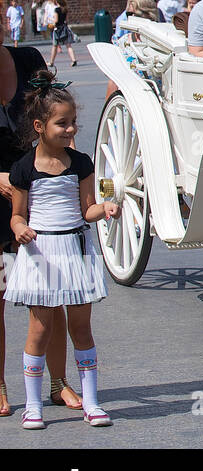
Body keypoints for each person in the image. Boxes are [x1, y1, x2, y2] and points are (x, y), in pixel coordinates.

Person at [4, 73, 116, 428]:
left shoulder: (81, 162)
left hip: (76, 247)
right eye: (62, 123)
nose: (70, 130)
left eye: (73, 123)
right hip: (43, 252)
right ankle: (33, 404)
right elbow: (18, 214)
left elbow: (87, 209)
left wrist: (106, 208)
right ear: (39, 125)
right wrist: (21, 230)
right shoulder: (24, 168)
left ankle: (93, 401)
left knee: (81, 327)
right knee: (39, 329)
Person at [1, 50, 85, 418]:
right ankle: (0, 385)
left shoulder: (28, 59)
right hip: (8, 200)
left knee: (54, 298)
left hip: (46, 203)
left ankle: (58, 383)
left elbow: (59, 118)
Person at [47, 0, 77, 68]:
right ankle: (73, 60)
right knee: (68, 45)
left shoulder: (57, 10)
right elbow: (66, 21)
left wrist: (51, 22)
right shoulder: (65, 9)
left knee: (54, 46)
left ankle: (51, 62)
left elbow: (56, 21)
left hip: (57, 30)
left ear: (56, 1)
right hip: (64, 29)